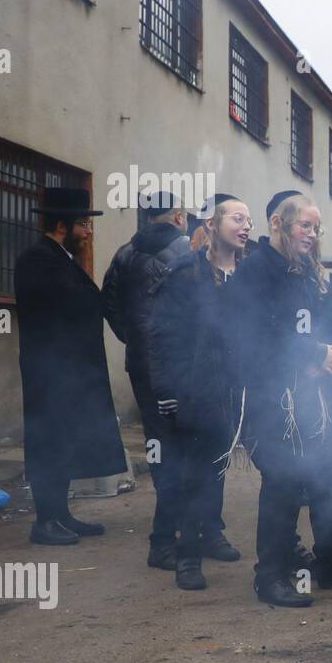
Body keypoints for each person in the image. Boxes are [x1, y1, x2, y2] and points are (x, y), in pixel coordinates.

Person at [231, 191, 332, 607]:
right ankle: (271, 577)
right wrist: (313, 355)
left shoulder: (301, 270)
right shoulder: (257, 271)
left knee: (324, 478)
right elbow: (259, 334)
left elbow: (309, 326)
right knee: (282, 483)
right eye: (305, 226)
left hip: (310, 396)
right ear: (278, 224)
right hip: (271, 397)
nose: (312, 235)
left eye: (316, 228)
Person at [104, 190, 242, 568]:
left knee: (162, 451)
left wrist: (134, 340)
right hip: (189, 370)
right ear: (179, 217)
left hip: (144, 369)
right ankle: (205, 533)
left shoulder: (123, 254)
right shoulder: (192, 254)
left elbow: (110, 304)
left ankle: (166, 541)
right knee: (209, 448)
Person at [147, 194, 252, 589]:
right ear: (211, 224)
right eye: (237, 219)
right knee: (192, 474)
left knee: (217, 469)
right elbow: (160, 336)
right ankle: (186, 558)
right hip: (194, 389)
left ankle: (211, 535)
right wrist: (166, 390)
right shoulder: (185, 273)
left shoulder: (246, 275)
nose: (245, 227)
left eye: (249, 221)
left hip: (233, 391)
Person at [14, 187, 128, 545]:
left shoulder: (60, 257)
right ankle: (44, 522)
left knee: (63, 442)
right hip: (50, 373)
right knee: (49, 443)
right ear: (62, 225)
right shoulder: (38, 259)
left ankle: (60, 515)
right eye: (83, 223)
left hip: (68, 372)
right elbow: (57, 310)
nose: (89, 231)